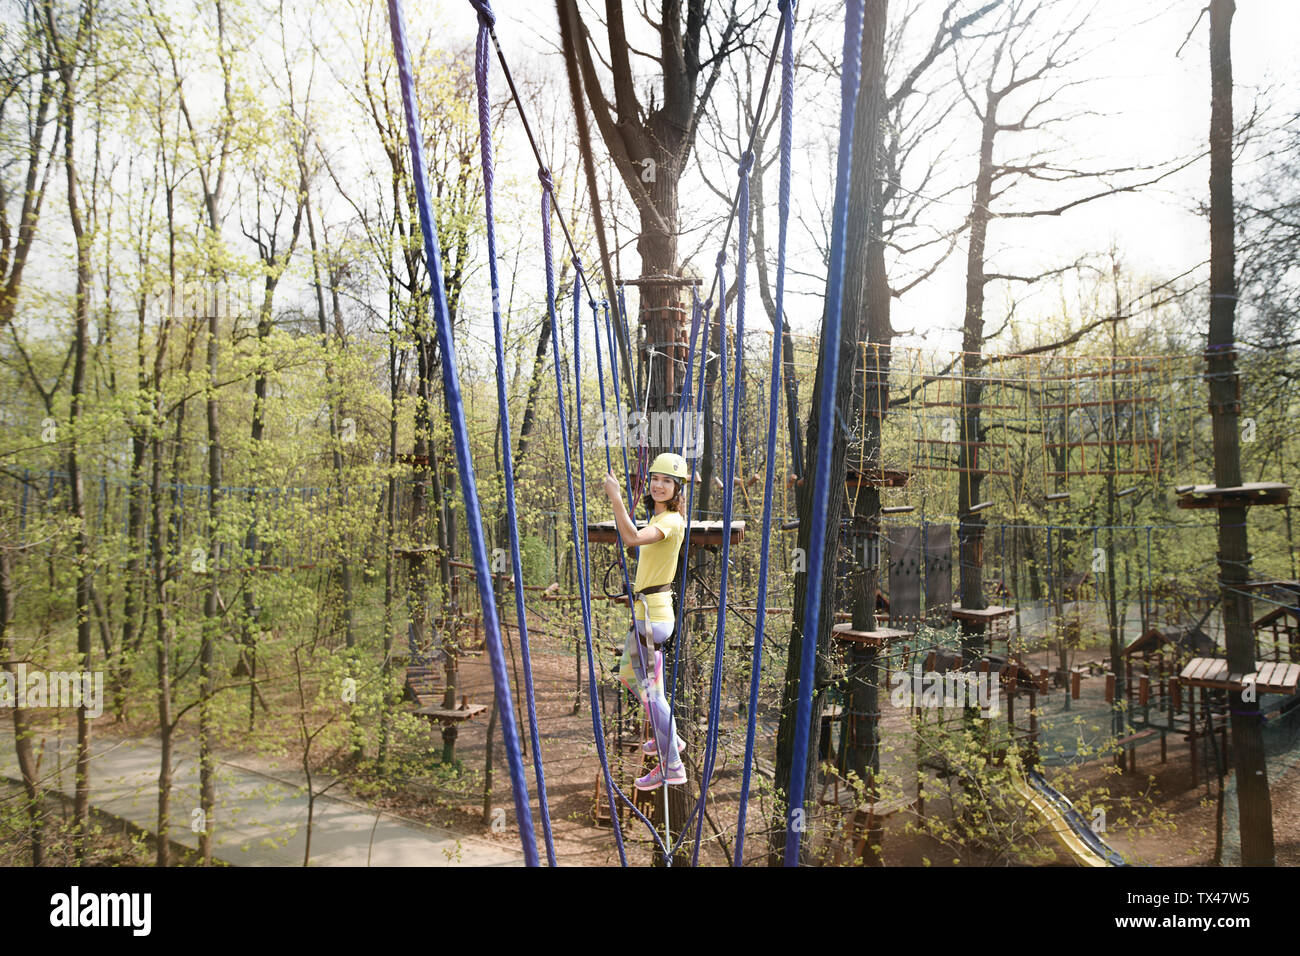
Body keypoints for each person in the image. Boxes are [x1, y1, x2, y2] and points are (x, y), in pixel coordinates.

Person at [601, 452, 689, 790]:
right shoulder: (661, 517)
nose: (659, 485)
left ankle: (672, 764)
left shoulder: (671, 522)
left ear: (678, 488)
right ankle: (670, 737)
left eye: (667, 481)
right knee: (631, 675)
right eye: (655, 479)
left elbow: (632, 538)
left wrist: (615, 497)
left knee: (653, 696)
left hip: (653, 619)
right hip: (648, 615)